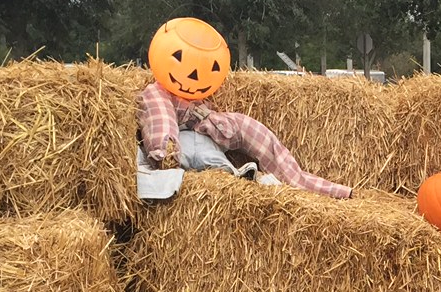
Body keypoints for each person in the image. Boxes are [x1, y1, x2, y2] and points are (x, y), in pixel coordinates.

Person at [138, 17, 352, 199]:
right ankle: (241, 175)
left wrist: (308, 185)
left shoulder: (209, 116)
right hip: (181, 149)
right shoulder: (157, 93)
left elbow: (254, 134)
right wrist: (164, 150)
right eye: (179, 57)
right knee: (203, 158)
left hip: (208, 149)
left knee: (221, 161)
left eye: (212, 66)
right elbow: (161, 119)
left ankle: (244, 175)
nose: (194, 74)